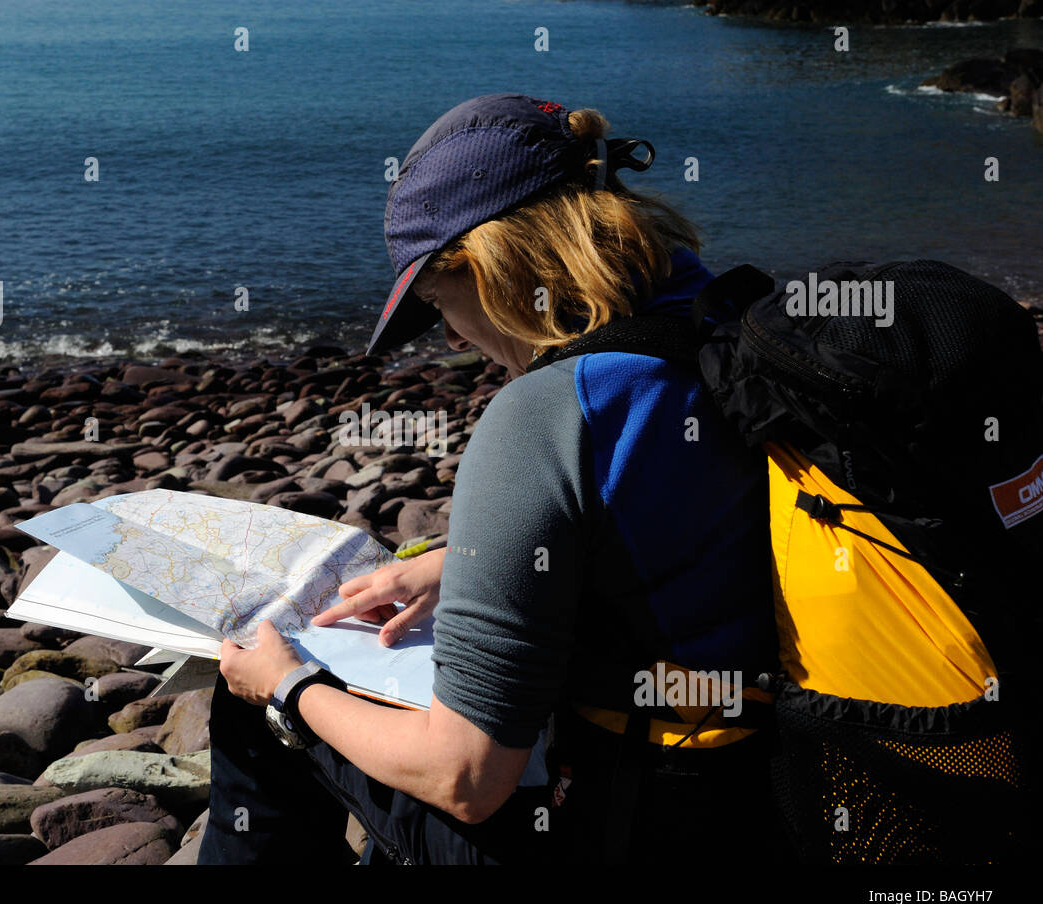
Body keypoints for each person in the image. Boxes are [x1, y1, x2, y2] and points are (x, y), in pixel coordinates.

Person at [199, 93, 790, 865]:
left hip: (626, 826)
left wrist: (288, 687)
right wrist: (461, 566)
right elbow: (684, 524)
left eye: (442, 305)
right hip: (768, 789)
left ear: (489, 266)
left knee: (253, 698)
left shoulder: (546, 412)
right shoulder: (731, 320)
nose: (450, 338)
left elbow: (466, 776)